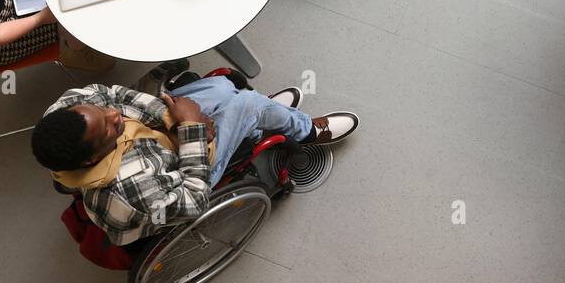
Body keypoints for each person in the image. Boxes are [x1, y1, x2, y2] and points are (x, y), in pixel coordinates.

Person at [30, 68, 359, 247]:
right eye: (107, 126)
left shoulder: (65, 111)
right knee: (245, 104)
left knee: (219, 86)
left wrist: (175, 120)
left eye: (102, 112)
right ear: (89, 161)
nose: (113, 113)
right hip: (185, 174)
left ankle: (260, 117)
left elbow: (112, 94)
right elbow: (193, 199)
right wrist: (191, 134)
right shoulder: (127, 196)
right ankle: (303, 131)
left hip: (164, 132)